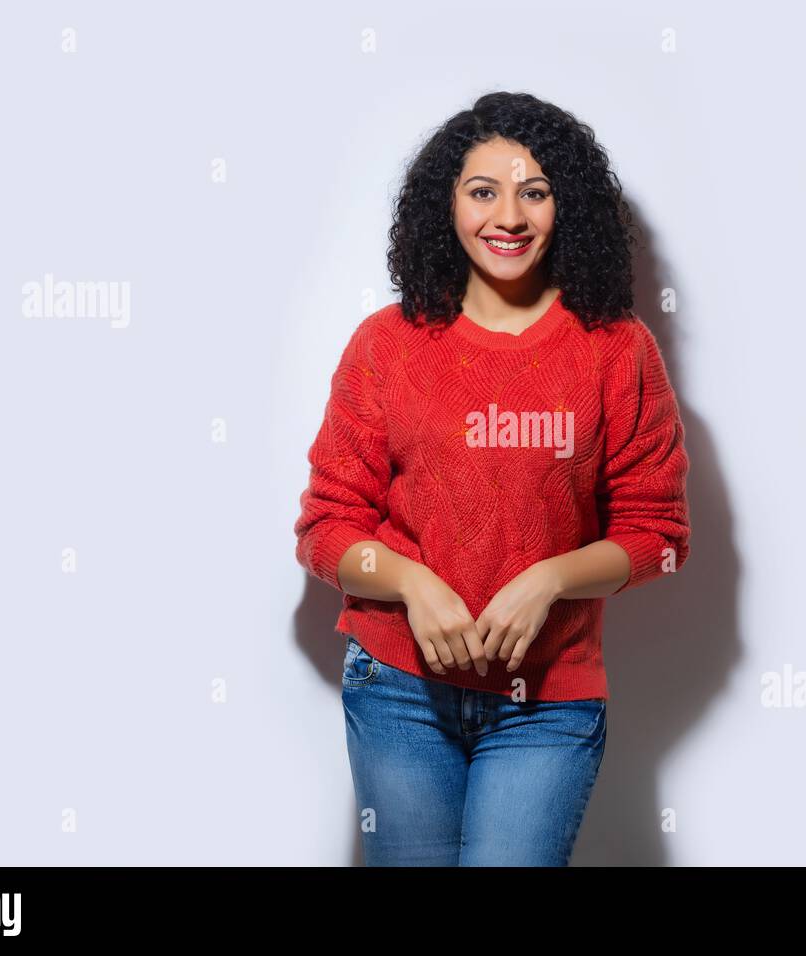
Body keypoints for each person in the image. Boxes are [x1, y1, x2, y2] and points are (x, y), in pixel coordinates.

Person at [294, 91, 690, 866]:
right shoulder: (388, 345)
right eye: (483, 192)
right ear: (447, 205)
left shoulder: (617, 349)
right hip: (397, 688)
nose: (507, 216)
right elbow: (325, 525)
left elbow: (659, 534)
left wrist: (550, 579)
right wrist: (409, 581)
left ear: (563, 207)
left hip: (548, 701)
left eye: (533, 192)